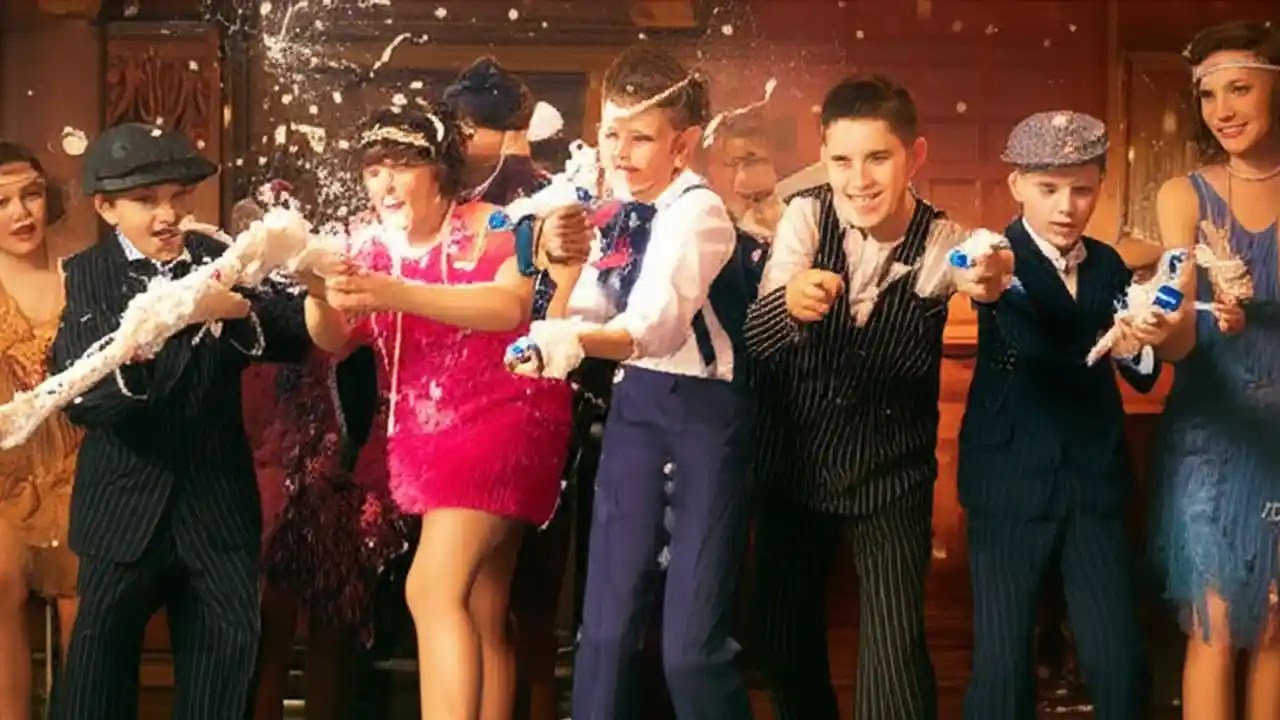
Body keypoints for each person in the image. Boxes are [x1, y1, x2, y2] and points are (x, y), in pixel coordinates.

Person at [308, 103, 585, 720]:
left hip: (504, 414)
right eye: (373, 168)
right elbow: (335, 338)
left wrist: (394, 292)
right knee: (483, 605)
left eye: (403, 166)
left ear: (440, 172)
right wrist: (316, 291)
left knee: (430, 588)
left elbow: (509, 307)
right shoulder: (363, 242)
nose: (385, 182)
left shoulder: (492, 225)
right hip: (429, 434)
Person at [743, 75, 1007, 720]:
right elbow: (757, 333)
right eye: (842, 160)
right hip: (793, 465)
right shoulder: (805, 214)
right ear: (825, 156)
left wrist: (994, 282)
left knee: (893, 656)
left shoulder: (944, 240)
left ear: (915, 156)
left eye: (878, 158)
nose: (858, 179)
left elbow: (991, 273)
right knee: (781, 639)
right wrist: (792, 304)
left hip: (892, 473)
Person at [47, 122, 318, 719]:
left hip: (217, 513)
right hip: (121, 515)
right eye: (146, 201)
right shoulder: (86, 274)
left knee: (223, 684)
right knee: (92, 687)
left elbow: (294, 332)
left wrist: (297, 291)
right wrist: (183, 316)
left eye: (178, 197)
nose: (167, 215)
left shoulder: (226, 260)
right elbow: (84, 398)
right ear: (107, 207)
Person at [518, 45, 756, 719]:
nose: (620, 152)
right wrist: (558, 280)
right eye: (611, 133)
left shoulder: (698, 212)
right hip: (634, 409)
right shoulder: (614, 207)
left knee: (690, 648)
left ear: (683, 143)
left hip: (705, 415)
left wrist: (565, 340)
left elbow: (653, 324)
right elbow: (586, 311)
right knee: (603, 633)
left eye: (641, 137)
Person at [960, 110, 1169, 720]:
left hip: (1093, 480)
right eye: (1048, 188)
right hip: (1008, 477)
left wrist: (1137, 341)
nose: (1066, 206)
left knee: (1122, 662)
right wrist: (986, 279)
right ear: (1017, 184)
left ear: (1101, 184)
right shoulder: (995, 255)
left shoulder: (1107, 264)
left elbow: (1145, 373)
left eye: (1081, 188)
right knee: (1002, 670)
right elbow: (1001, 304)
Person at [1150, 20, 1280, 720]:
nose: (1222, 109)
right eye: (1207, 95)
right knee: (1216, 622)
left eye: (1240, 89)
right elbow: (1175, 318)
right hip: (1211, 434)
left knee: (1275, 624)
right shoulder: (1185, 196)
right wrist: (1183, 320)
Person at [0, 141, 80, 719]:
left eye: (29, 195)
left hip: (81, 464)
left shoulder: (82, 274)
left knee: (89, 612)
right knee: (1, 590)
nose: (19, 213)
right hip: (4, 474)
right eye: (1, 202)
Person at [703, 107, 785, 242]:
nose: (743, 174)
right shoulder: (705, 227)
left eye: (756, 161)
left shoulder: (797, 219)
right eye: (733, 163)